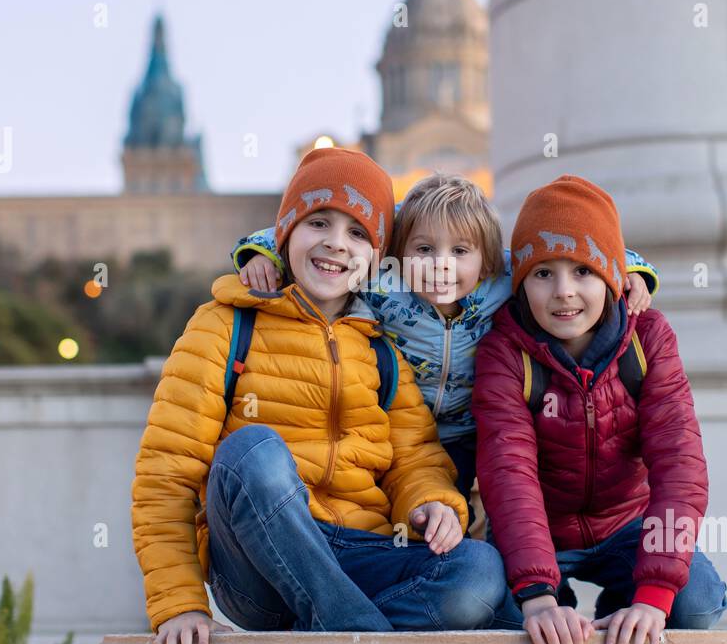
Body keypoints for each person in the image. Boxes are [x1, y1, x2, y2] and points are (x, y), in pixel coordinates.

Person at [131, 147, 519, 644]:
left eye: (359, 233)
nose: (337, 243)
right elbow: (165, 476)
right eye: (319, 222)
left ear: (378, 256)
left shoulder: (383, 348)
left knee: (479, 570)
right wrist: (178, 604)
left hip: (361, 551)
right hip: (257, 565)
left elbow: (415, 459)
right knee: (253, 449)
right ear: (285, 234)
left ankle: (333, 633)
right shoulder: (224, 325)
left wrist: (431, 503)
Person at [231, 172, 660, 530]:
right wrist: (261, 251)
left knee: (477, 521)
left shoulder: (503, 277)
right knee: (403, 519)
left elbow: (572, 244)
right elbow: (315, 234)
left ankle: (508, 596)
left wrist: (633, 271)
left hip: (470, 434)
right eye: (424, 250)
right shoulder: (381, 278)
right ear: (399, 251)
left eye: (459, 252)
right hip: (396, 433)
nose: (441, 265)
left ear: (487, 258)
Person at [471, 175, 727, 644]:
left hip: (626, 526)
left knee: (695, 601)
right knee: (510, 621)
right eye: (543, 273)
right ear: (520, 280)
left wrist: (653, 595)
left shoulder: (646, 338)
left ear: (614, 275)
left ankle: (620, 611)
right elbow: (508, 472)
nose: (564, 293)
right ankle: (556, 600)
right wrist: (539, 596)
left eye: (583, 271)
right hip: (540, 533)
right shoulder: (504, 349)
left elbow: (680, 463)